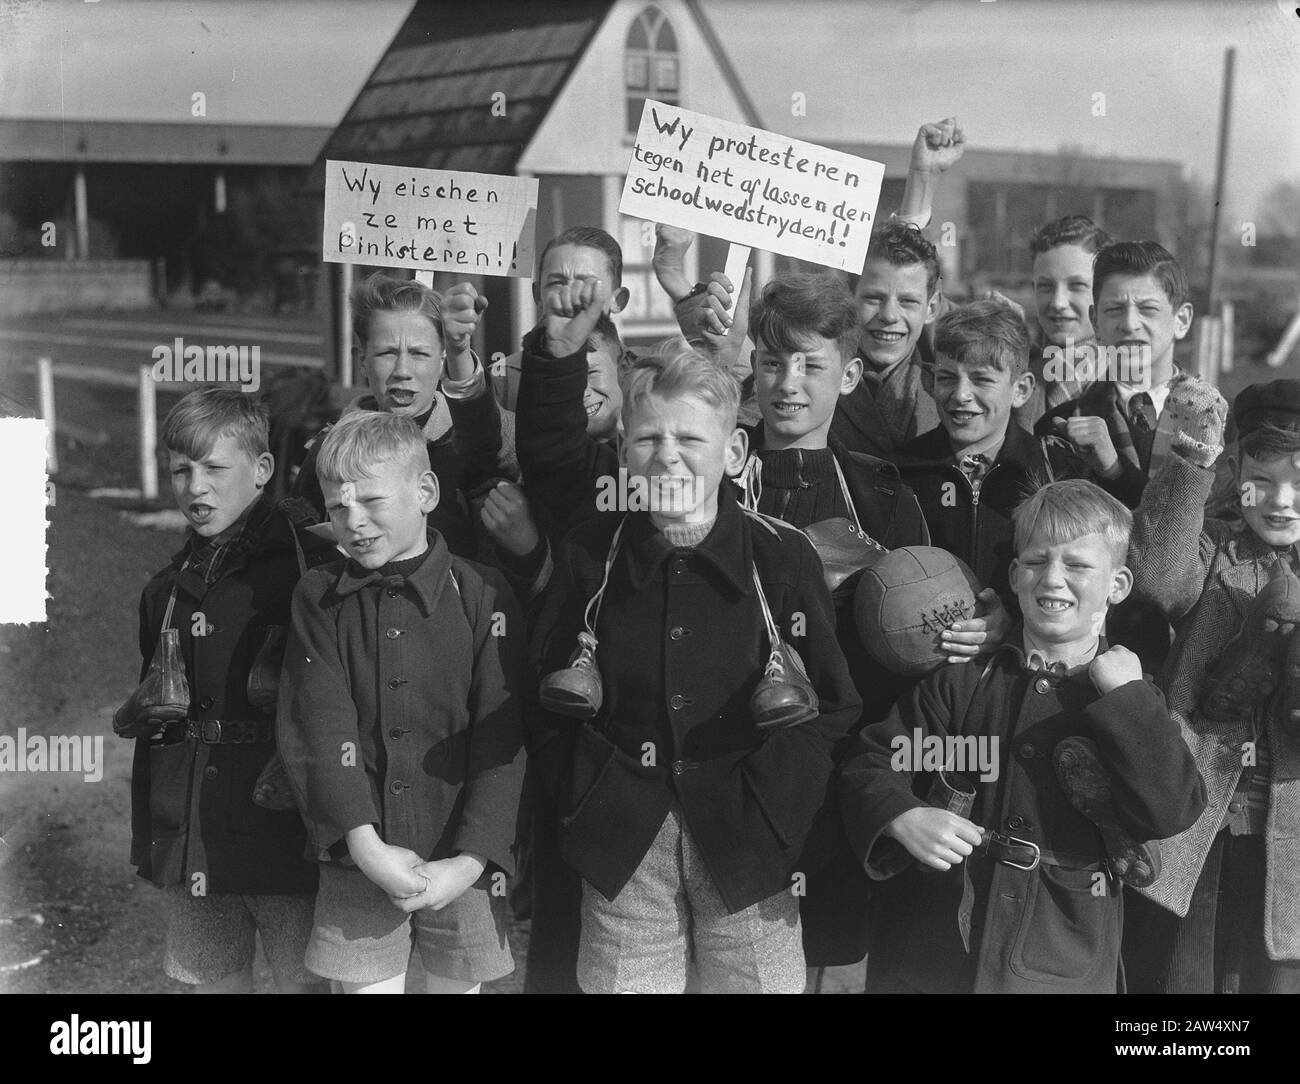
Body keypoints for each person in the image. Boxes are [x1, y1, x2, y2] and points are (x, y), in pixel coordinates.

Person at [529, 291, 861, 991]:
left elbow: (832, 709)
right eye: (648, 440)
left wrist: (774, 813)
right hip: (622, 846)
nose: (667, 458)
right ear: (623, 450)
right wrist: (590, 801)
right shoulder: (593, 554)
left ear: (735, 450)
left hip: (748, 849)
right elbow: (542, 698)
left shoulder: (783, 557)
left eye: (690, 440)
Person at [838, 479, 1205, 992]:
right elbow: (876, 763)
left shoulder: (1128, 697)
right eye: (1035, 561)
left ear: (1118, 585)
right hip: (940, 949)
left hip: (1064, 949)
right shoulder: (964, 682)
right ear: (1014, 574)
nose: (1052, 579)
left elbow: (1171, 809)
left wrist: (1128, 699)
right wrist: (903, 814)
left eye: (1078, 565)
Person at [277, 411, 526, 993]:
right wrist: (365, 846)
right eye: (337, 508)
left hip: (463, 854)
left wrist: (468, 863)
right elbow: (319, 725)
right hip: (357, 856)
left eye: (371, 500)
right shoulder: (318, 597)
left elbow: (503, 738)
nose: (354, 522)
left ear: (426, 491)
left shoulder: (484, 593)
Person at [121, 387, 338, 993]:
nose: (196, 487)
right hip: (195, 824)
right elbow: (159, 720)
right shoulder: (163, 589)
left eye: (216, 468)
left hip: (286, 822)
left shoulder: (313, 566)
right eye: (181, 471)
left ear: (263, 470)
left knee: (305, 981)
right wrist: (158, 832)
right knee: (214, 979)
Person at [1124, 380, 1300, 993]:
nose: (1281, 501)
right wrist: (1190, 461)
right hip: (1203, 822)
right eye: (1263, 478)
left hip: (1291, 832)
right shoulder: (1217, 546)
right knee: (1185, 988)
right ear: (1235, 472)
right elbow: (1158, 578)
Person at [292, 272, 507, 559]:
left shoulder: (473, 444)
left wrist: (461, 353)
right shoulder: (327, 451)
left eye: (419, 353)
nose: (402, 370)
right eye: (387, 353)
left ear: (443, 360)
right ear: (362, 361)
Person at [890, 299, 1080, 601]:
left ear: (1020, 390)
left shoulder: (1053, 475)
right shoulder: (898, 475)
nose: (961, 394)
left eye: (981, 380)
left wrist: (1011, 624)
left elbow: (1076, 585)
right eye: (947, 378)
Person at [1013, 214, 1114, 431]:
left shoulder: (1127, 376)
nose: (1058, 303)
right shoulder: (1024, 365)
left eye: (1077, 286)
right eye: (1046, 287)